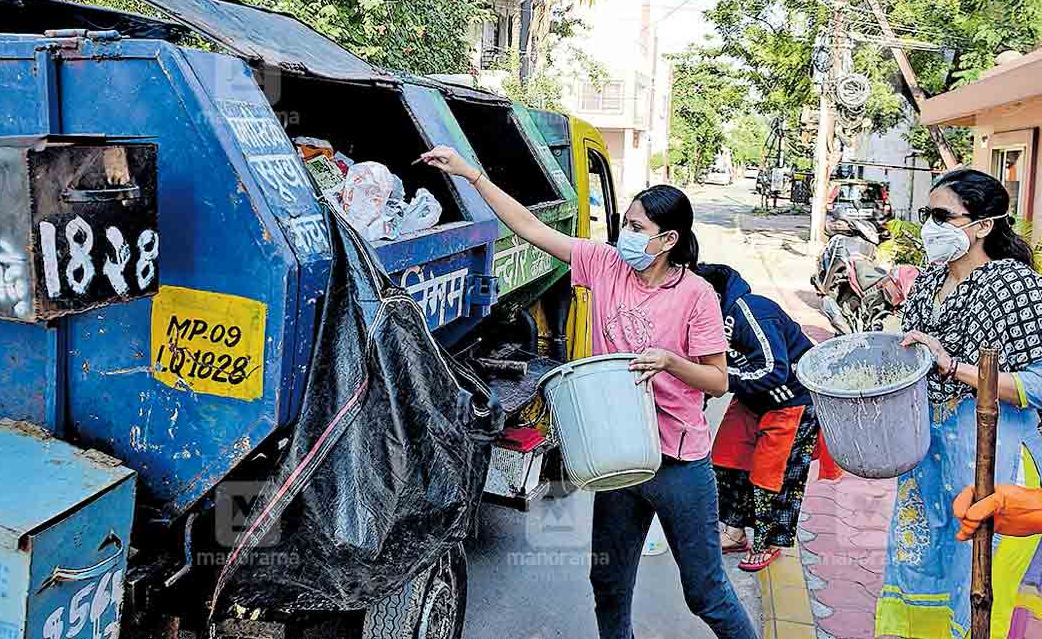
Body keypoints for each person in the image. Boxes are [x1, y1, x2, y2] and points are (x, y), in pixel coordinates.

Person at [420, 146, 757, 639]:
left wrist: (670, 362)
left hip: (678, 463)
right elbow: (531, 229)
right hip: (617, 455)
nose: (627, 234)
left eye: (638, 227)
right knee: (609, 584)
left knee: (704, 592)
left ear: (668, 240)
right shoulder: (603, 263)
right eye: (628, 223)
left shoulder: (696, 295)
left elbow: (718, 380)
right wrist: (472, 174)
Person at [875, 169, 1042, 639]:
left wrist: (952, 366)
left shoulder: (1015, 286)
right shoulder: (928, 280)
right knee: (919, 567)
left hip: (991, 460)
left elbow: (1039, 381)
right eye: (927, 215)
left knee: (977, 583)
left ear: (983, 225)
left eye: (942, 216)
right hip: (928, 458)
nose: (930, 226)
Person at [695, 264, 842, 573]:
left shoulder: (751, 311)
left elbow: (773, 370)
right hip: (753, 398)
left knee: (771, 477)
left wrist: (720, 379)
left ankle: (769, 543)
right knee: (727, 459)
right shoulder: (704, 317)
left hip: (793, 400)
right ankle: (734, 531)